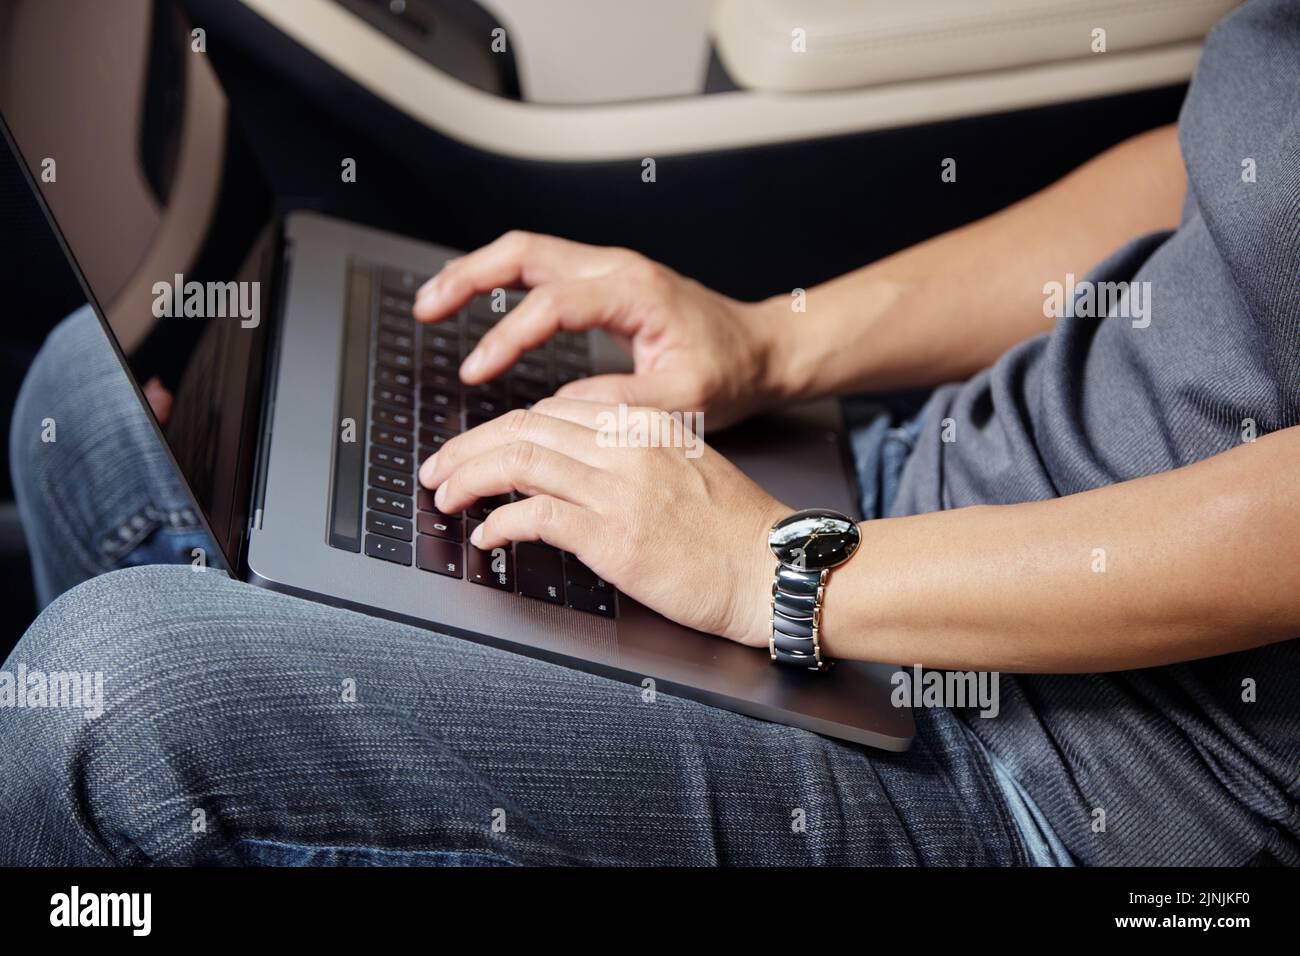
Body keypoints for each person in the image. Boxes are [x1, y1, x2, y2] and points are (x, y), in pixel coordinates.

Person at [1, 0, 1295, 867]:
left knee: (113, 702)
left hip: (1070, 789)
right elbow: (1203, 177)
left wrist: (775, 572)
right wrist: (775, 343)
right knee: (89, 411)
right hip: (918, 490)